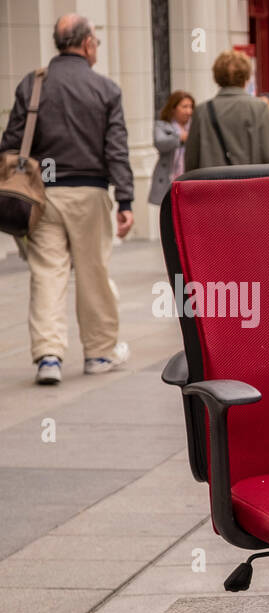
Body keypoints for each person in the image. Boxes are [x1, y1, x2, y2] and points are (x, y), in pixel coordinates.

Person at [1, 13, 132, 385]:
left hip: (43, 193)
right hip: (90, 192)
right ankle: (100, 353)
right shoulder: (106, 90)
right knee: (94, 272)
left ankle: (48, 357)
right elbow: (116, 149)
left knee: (47, 274)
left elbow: (10, 144)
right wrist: (125, 200)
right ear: (88, 43)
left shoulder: (33, 84)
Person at [186, 51, 269, 171]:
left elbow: (191, 161)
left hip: (212, 187)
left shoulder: (202, 111)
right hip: (250, 186)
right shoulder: (260, 108)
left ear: (217, 77)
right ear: (246, 77)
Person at [149, 90, 194, 206]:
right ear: (173, 108)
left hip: (190, 179)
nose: (189, 111)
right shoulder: (162, 126)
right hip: (169, 178)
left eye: (191, 107)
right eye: (184, 107)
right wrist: (179, 139)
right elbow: (160, 143)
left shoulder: (195, 127)